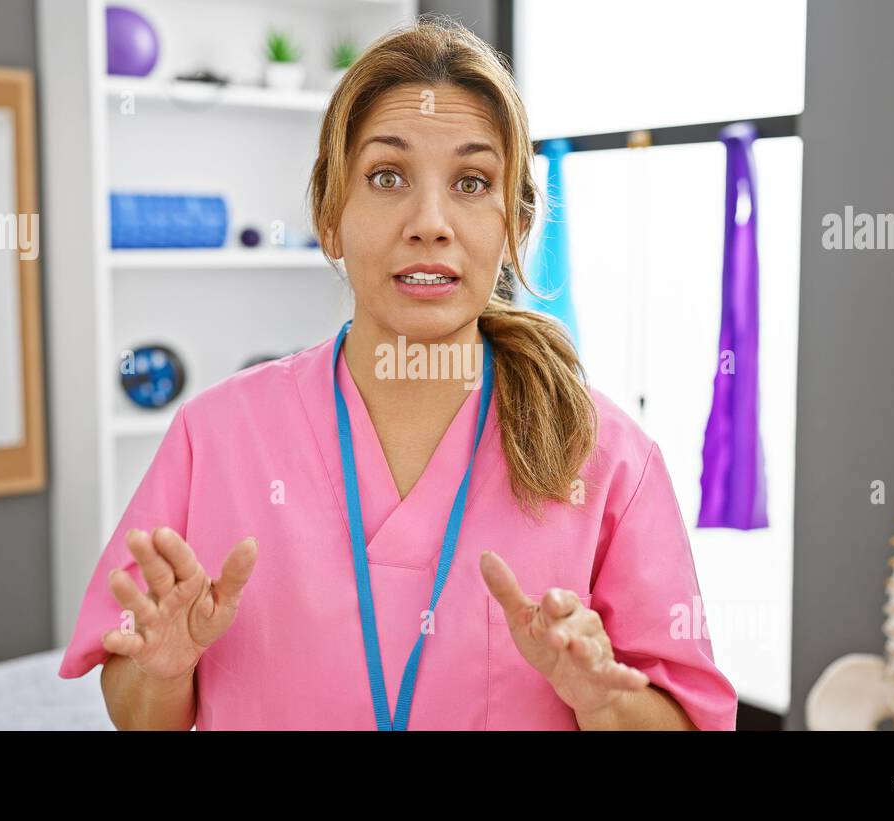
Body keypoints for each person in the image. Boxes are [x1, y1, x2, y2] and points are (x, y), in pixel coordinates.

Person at [59, 15, 738, 731]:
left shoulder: (607, 458)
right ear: (330, 215)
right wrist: (165, 667)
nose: (430, 221)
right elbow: (138, 715)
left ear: (511, 230)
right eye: (387, 176)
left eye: (472, 182)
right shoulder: (218, 435)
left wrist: (604, 699)